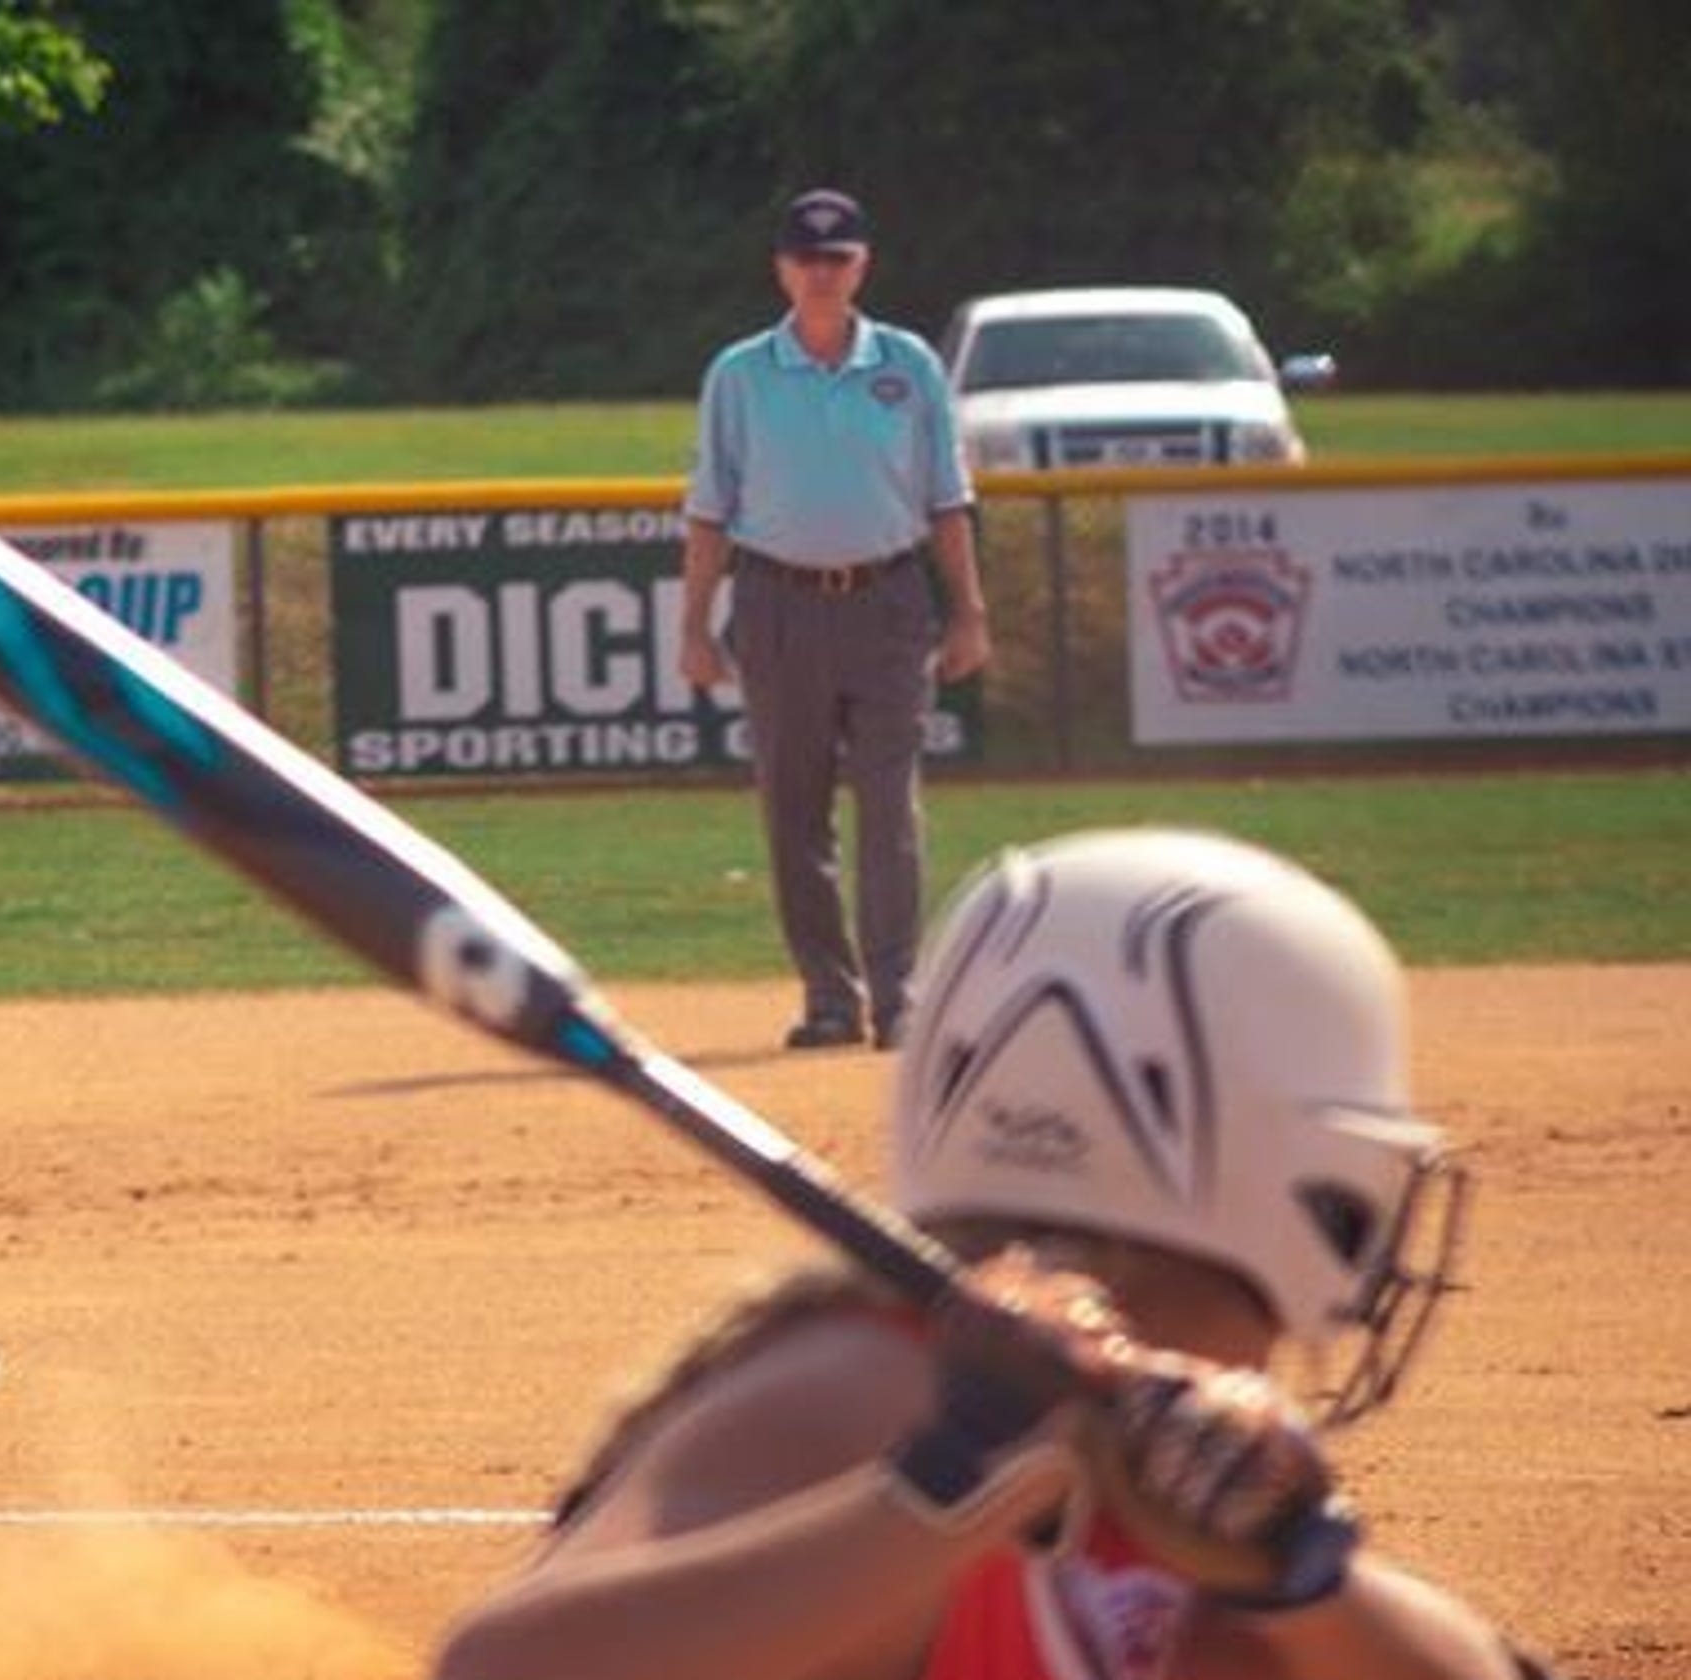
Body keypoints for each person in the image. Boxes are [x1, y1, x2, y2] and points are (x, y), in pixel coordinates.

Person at [431, 827, 1550, 1680]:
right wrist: (941, 1488)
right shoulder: (870, 1385)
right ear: (1287, 1166)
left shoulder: (1176, 1460)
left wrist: (1303, 1578)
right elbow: (499, 1667)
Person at [677, 187, 993, 1052]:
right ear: (782, 266)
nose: (822, 272)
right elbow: (710, 508)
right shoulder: (740, 372)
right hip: (777, 602)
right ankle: (828, 996)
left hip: (890, 601)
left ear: (863, 264)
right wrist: (695, 626)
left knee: (890, 807)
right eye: (807, 258)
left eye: (839, 258)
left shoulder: (909, 365)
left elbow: (946, 499)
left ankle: (896, 997)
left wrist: (968, 612)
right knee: (793, 809)